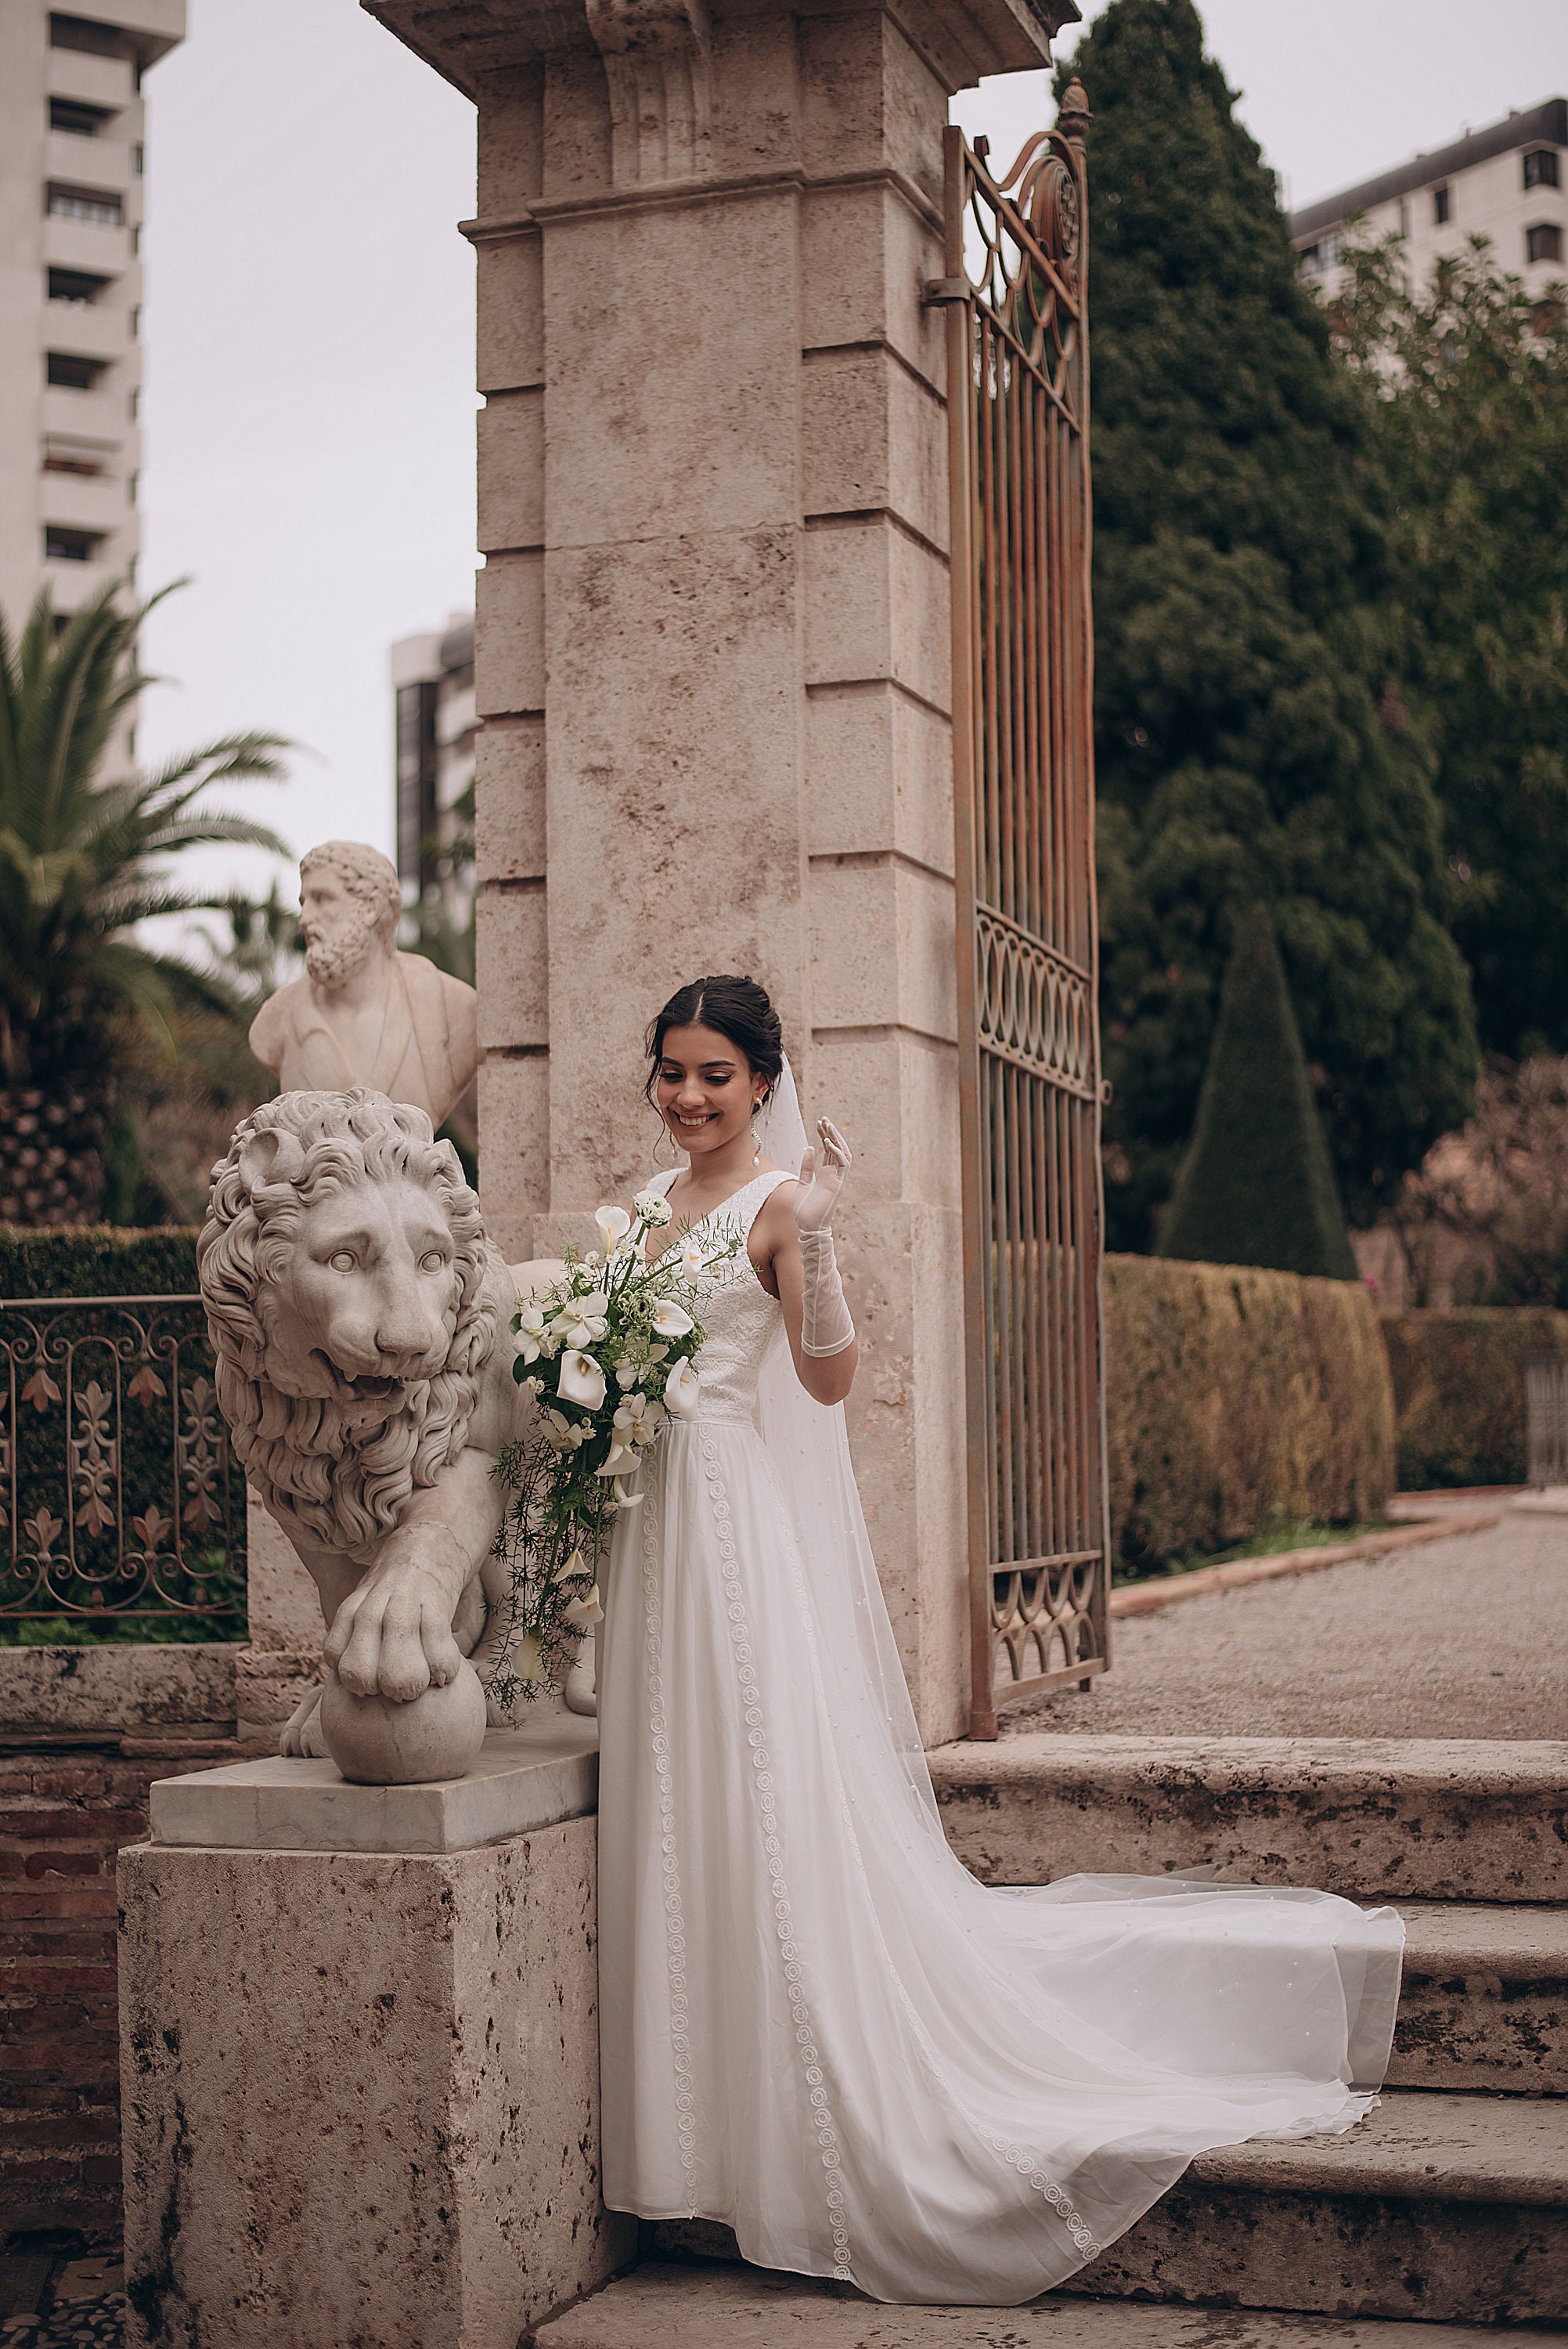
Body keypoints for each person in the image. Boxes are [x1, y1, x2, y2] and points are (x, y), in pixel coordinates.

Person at [595, 972, 1405, 2307]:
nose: (688, 1098)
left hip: (729, 1529)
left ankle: (799, 2120)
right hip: (649, 1532)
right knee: (676, 1808)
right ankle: (689, 2138)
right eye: (671, 1073)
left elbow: (827, 1378)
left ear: (760, 1084)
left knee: (755, 1799)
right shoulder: (631, 1216)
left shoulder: (780, 1207)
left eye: (714, 1077)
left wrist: (826, 1241)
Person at [248, 843, 478, 1130]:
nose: (305, 919)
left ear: (371, 908)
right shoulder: (276, 1020)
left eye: (322, 899)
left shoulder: (454, 1008)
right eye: (304, 902)